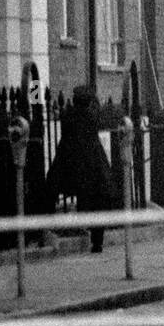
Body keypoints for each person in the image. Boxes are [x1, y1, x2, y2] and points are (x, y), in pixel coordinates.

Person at [47, 86, 115, 252]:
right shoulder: (91, 117)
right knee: (99, 197)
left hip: (68, 164)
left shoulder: (67, 116)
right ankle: (97, 241)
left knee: (50, 189)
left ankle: (46, 226)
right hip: (91, 165)